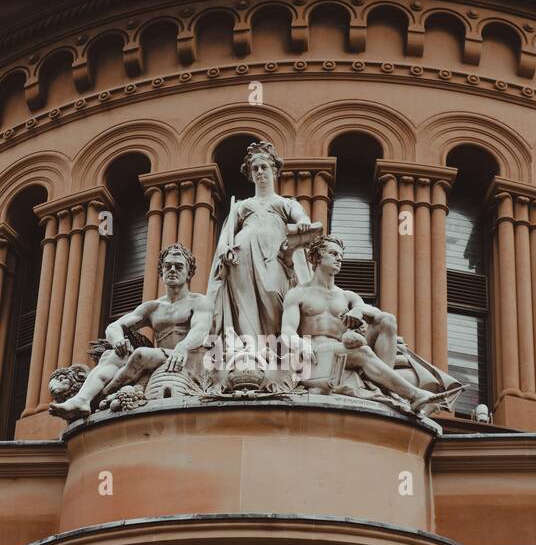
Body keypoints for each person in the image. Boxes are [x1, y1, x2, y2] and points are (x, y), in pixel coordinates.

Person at [49, 242, 212, 419]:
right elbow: (113, 326)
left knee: (140, 354)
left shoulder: (199, 302)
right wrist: (118, 339)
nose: (172, 269)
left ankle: (106, 394)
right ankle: (82, 400)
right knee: (111, 356)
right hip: (161, 356)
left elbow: (201, 329)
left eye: (179, 266)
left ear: (189, 273)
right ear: (161, 272)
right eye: (167, 266)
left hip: (187, 358)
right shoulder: (153, 307)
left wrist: (182, 347)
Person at [281, 235, 441, 413]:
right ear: (318, 257)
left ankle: (384, 385)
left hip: (343, 352)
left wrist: (359, 311)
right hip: (316, 356)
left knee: (387, 320)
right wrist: (299, 343)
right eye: (333, 253)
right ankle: (415, 395)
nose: (339, 258)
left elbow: (377, 315)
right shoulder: (299, 293)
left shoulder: (347, 296)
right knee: (362, 351)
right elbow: (287, 329)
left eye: (341, 255)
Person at [208, 139, 319, 344]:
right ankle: (251, 346)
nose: (259, 171)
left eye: (264, 167)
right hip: (242, 256)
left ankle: (278, 345)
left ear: (274, 171)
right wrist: (223, 247)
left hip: (275, 255)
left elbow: (300, 216)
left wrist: (303, 221)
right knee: (245, 300)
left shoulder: (284, 203)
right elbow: (227, 233)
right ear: (250, 174)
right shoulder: (242, 205)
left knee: (273, 292)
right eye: (255, 168)